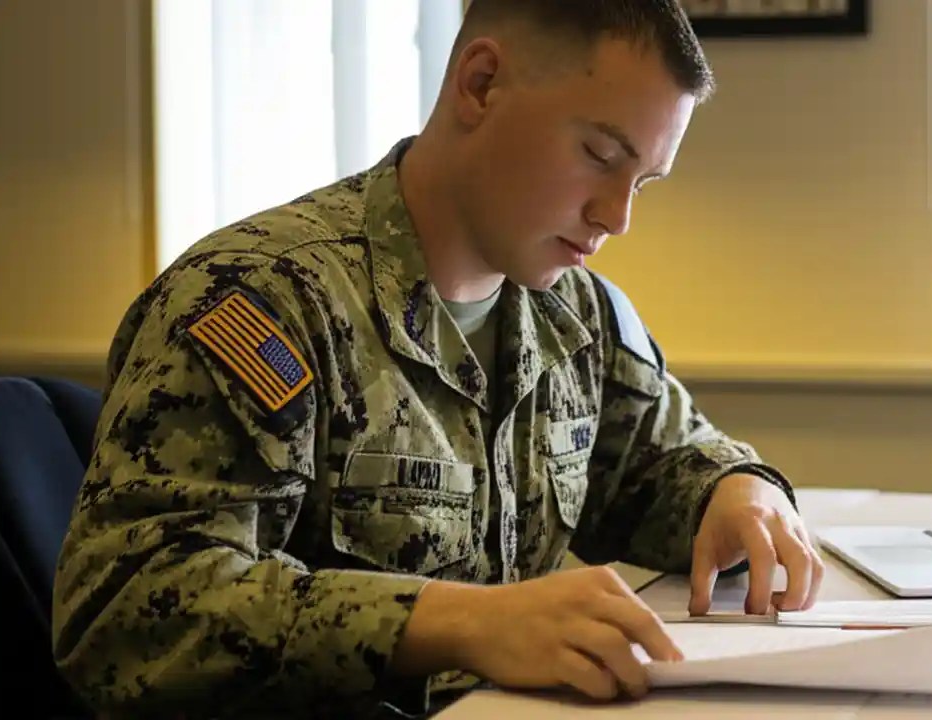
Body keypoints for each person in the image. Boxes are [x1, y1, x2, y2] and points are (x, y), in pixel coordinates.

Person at [51, 1, 824, 717]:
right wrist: (461, 623)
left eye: (643, 182)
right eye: (598, 154)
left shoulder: (576, 312)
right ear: (480, 85)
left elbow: (661, 462)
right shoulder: (263, 303)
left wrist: (739, 489)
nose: (616, 217)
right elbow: (124, 613)